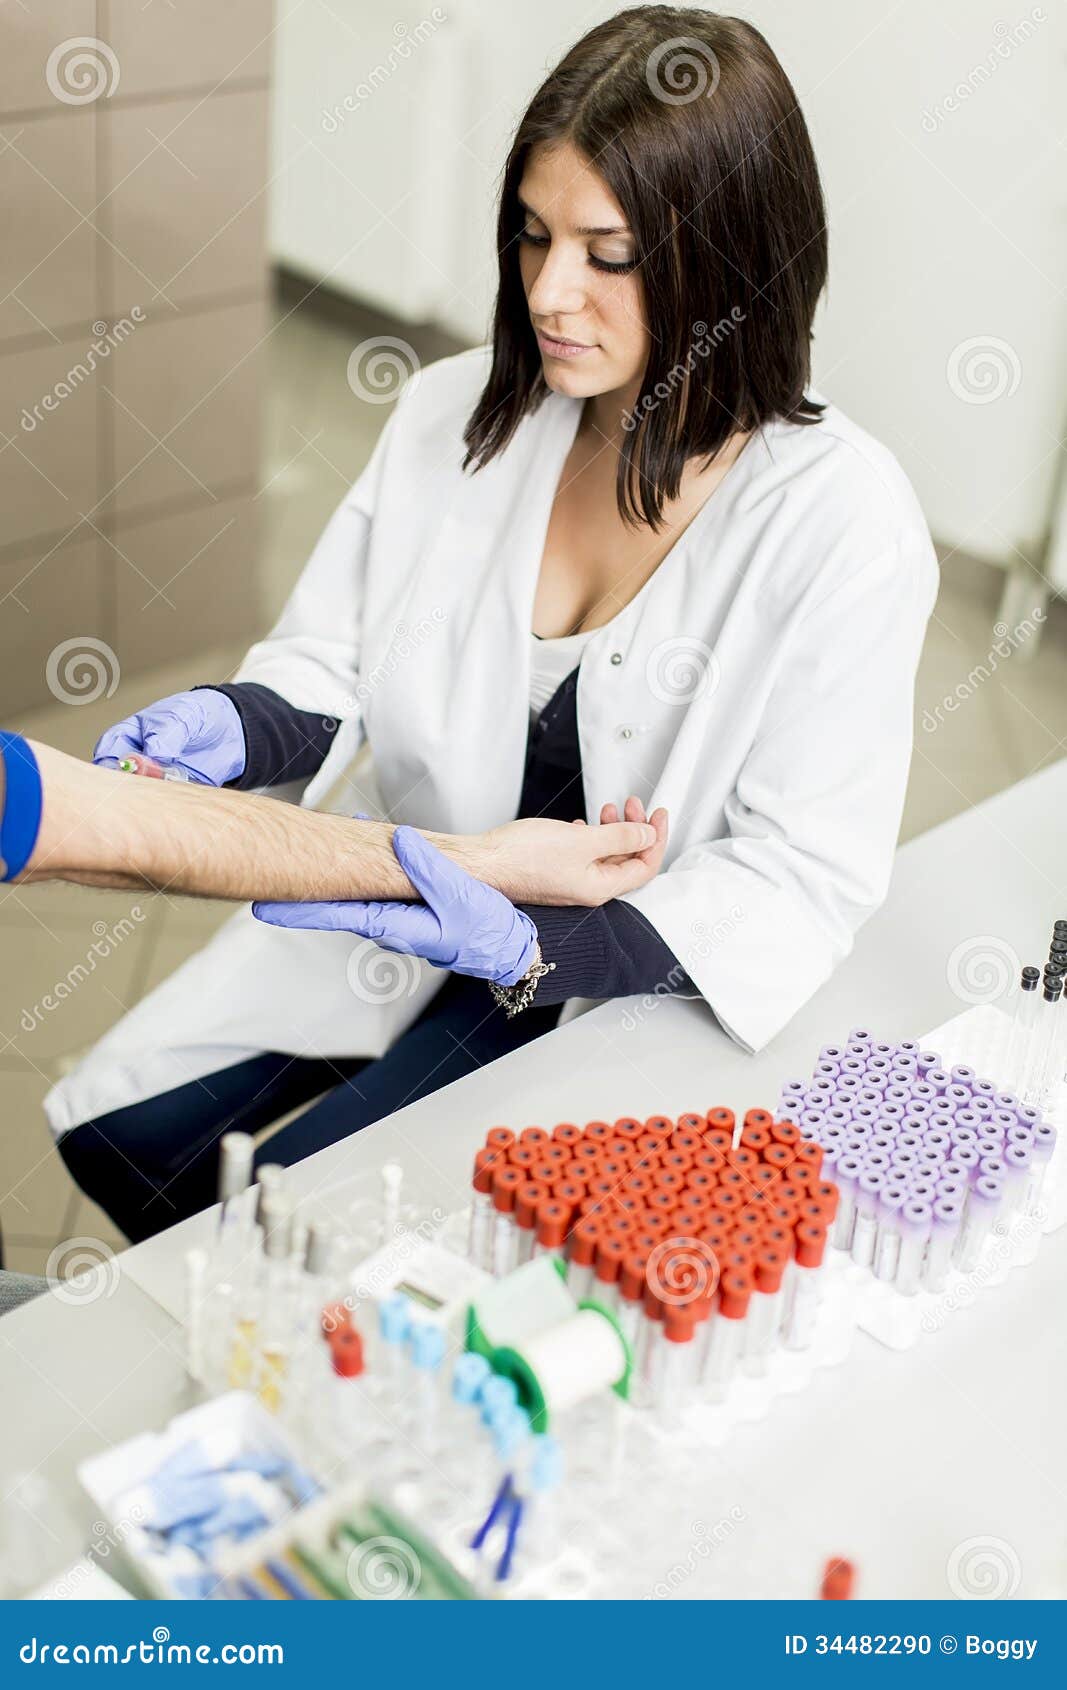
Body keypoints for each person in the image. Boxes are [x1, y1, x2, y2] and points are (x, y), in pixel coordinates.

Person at [49, 6, 938, 1241]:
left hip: (612, 978)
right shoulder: (456, 413)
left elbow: (799, 872)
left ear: (732, 255)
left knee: (299, 1226)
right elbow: (332, 658)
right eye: (530, 236)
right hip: (411, 910)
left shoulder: (841, 523)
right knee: (116, 1131)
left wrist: (543, 945)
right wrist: (242, 723)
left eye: (606, 253)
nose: (547, 292)